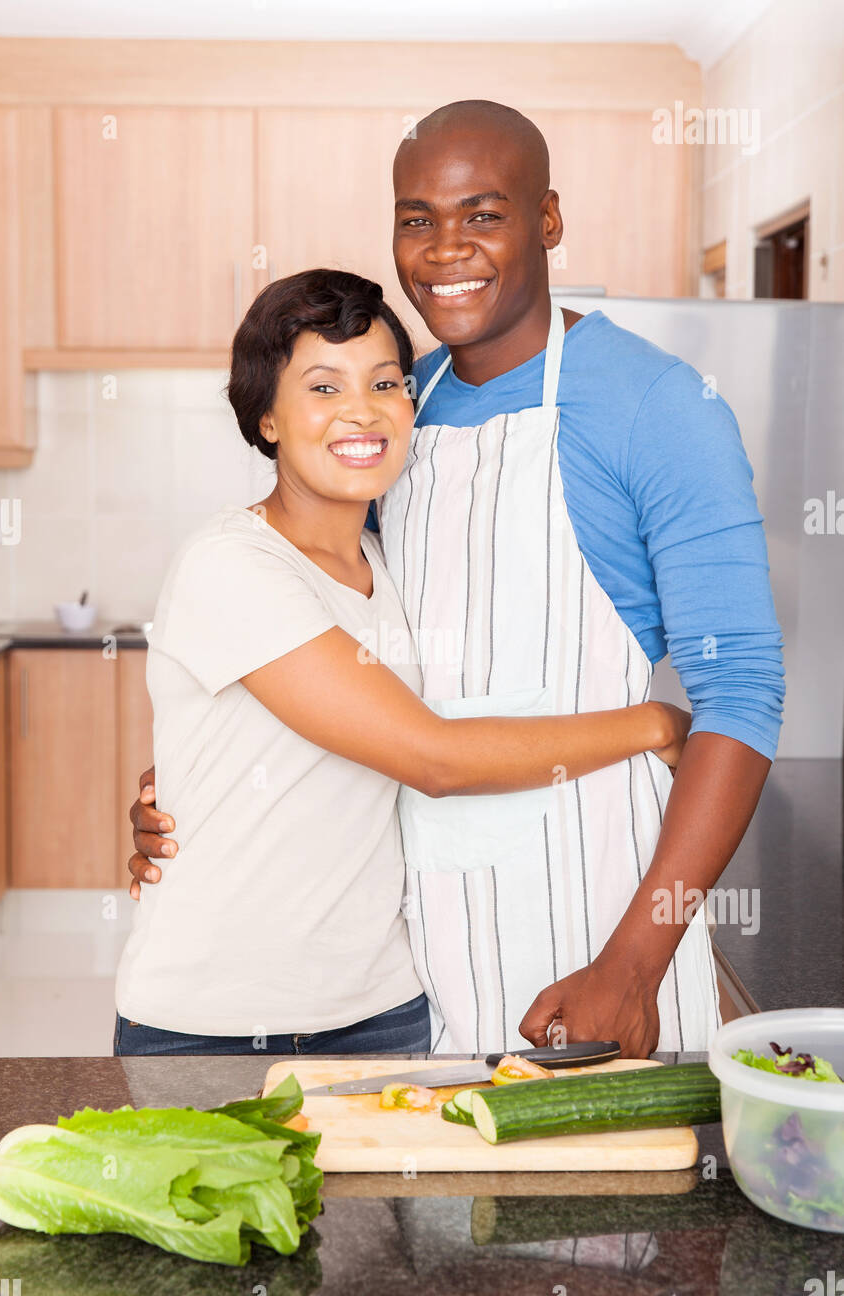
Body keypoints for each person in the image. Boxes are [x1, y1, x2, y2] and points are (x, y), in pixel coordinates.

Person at [129, 101, 784, 1058]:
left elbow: (742, 695)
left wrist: (634, 964)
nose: (447, 250)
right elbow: (360, 688)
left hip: (595, 913)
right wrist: (190, 786)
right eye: (418, 220)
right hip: (414, 965)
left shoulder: (660, 405)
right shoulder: (399, 414)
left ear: (548, 221)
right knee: (424, 1201)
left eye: (484, 214)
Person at [115, 269, 689, 1057]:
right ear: (268, 419)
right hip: (211, 1023)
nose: (362, 409)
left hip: (380, 1012)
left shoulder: (389, 566)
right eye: (324, 386)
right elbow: (434, 756)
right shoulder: (232, 564)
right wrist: (653, 721)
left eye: (386, 381)